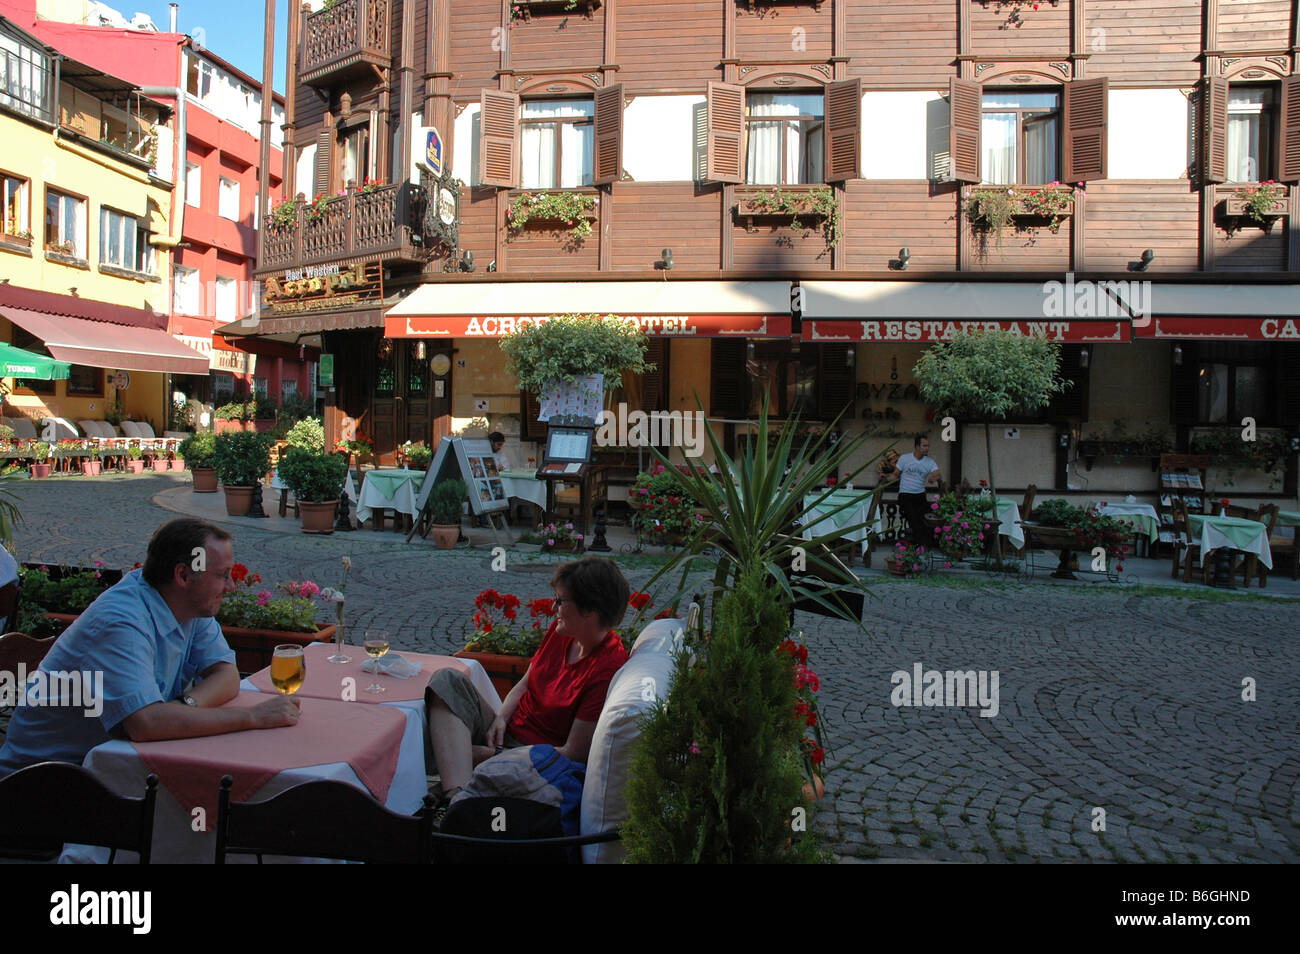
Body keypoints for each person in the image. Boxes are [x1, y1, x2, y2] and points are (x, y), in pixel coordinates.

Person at [0, 519, 301, 775]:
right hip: (39, 786)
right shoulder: (120, 621)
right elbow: (145, 725)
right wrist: (253, 717)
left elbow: (226, 674)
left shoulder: (189, 605)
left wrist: (184, 709)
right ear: (183, 575)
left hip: (106, 770)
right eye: (222, 575)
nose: (231, 586)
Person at [426, 557, 631, 811]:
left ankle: (455, 800)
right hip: (506, 735)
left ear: (589, 611)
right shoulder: (562, 634)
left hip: (534, 758)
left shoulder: (605, 670)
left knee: (445, 748)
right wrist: (500, 718)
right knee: (447, 680)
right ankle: (457, 796)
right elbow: (526, 683)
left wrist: (496, 756)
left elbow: (573, 753)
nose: (554, 606)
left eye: (561, 601)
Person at [889, 434, 942, 545]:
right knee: (914, 519)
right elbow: (895, 474)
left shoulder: (929, 461)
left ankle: (922, 544)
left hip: (920, 495)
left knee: (925, 518)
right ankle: (918, 545)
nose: (927, 448)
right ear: (917, 446)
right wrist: (885, 479)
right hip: (905, 495)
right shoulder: (904, 458)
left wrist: (933, 478)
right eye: (924, 446)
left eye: (928, 446)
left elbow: (938, 474)